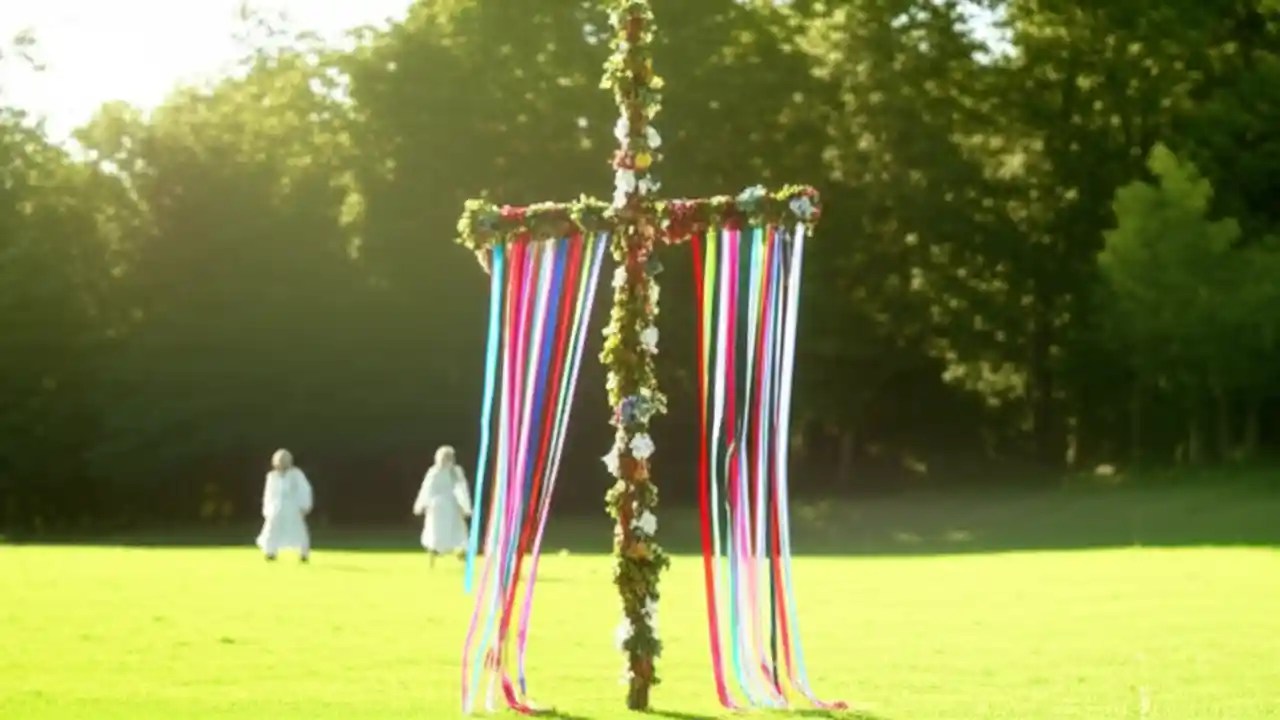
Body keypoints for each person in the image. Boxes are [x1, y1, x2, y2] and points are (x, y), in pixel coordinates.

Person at [413, 445, 473, 566]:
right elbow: (461, 490)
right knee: (445, 532)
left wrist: (420, 505)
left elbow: (427, 490)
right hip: (443, 507)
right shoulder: (440, 472)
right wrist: (466, 507)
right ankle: (451, 554)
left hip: (443, 507)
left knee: (444, 532)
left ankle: (452, 553)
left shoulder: (452, 472)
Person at [255, 449, 313, 562]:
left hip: (293, 507)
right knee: (271, 529)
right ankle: (270, 552)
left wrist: (304, 505)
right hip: (276, 508)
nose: (282, 462)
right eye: (280, 460)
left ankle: (303, 554)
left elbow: (304, 490)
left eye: (285, 460)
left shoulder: (297, 474)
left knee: (299, 530)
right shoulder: (271, 476)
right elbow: (268, 493)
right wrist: (267, 509)